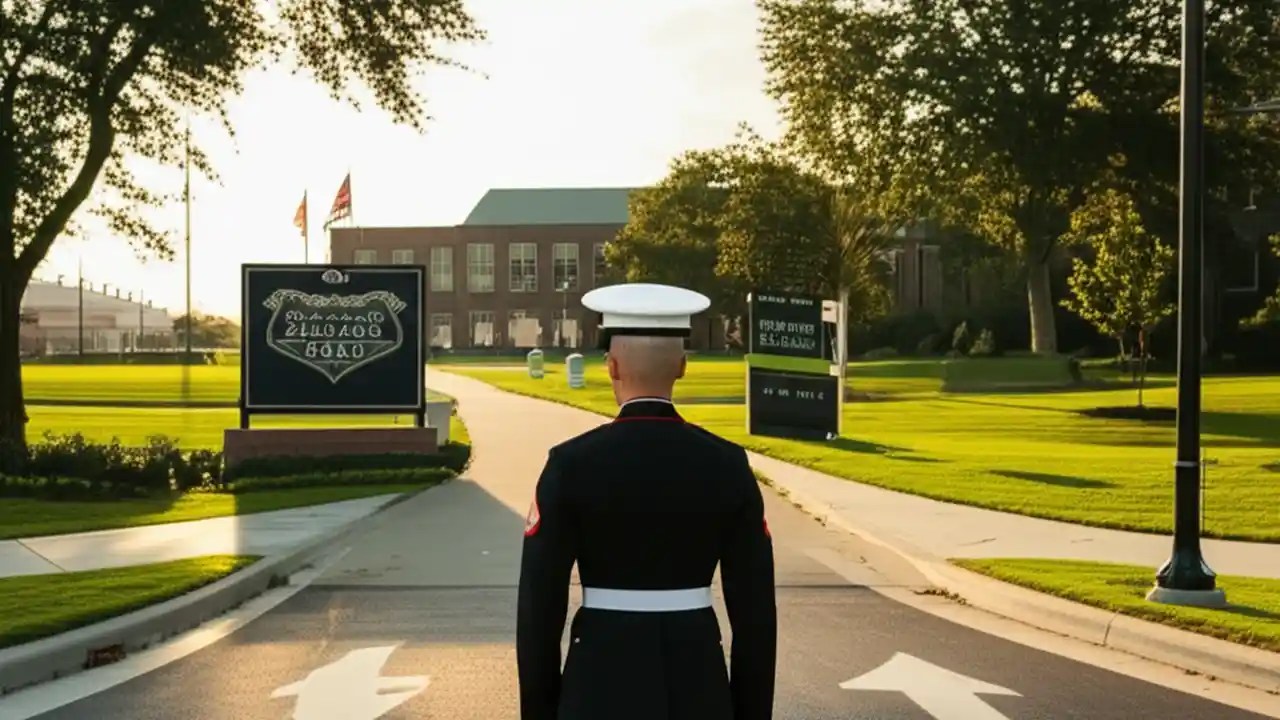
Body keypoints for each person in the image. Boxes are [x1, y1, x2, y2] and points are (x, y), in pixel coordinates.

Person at [516, 283, 777, 720]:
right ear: (683, 366)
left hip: (597, 684)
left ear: (611, 366)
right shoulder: (727, 465)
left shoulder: (569, 465)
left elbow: (538, 615)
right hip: (698, 685)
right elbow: (756, 620)